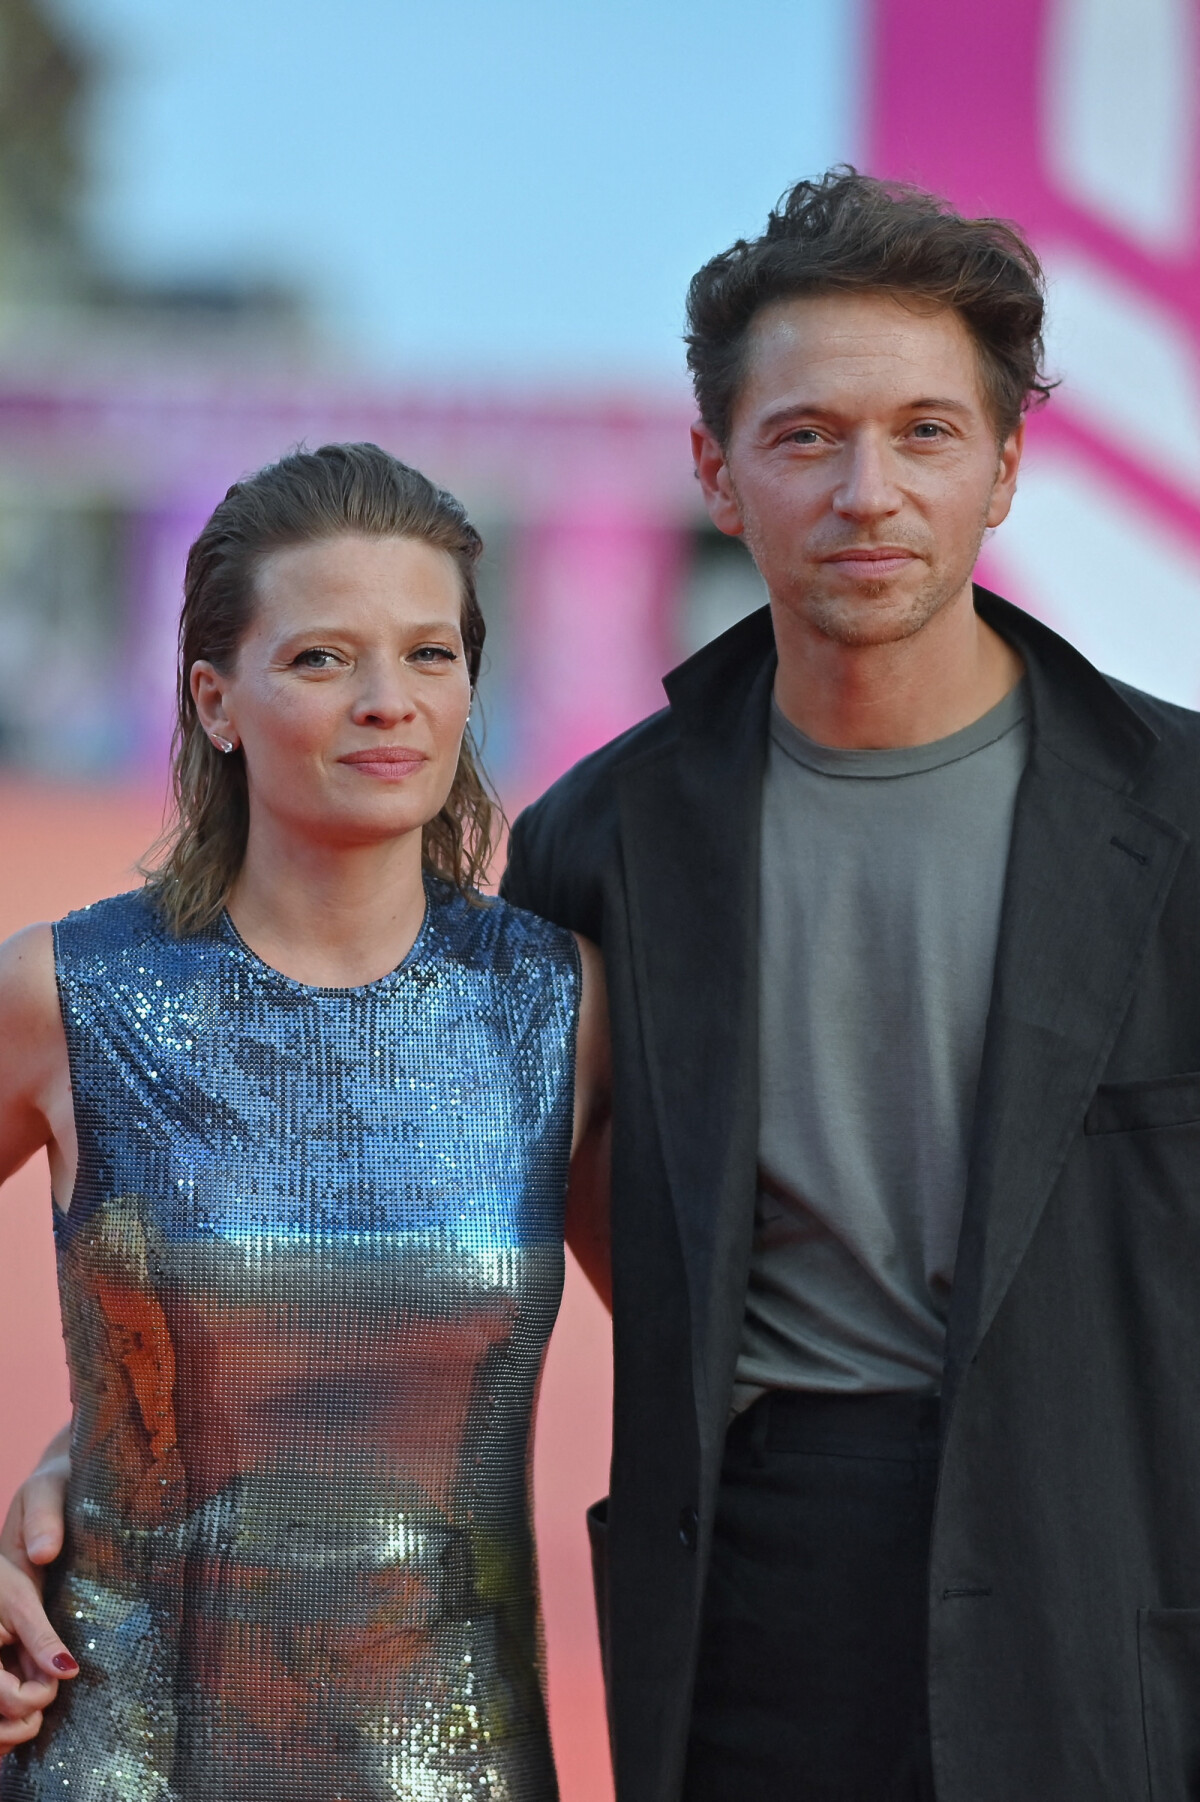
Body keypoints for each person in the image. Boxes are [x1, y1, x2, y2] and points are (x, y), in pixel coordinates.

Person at [10, 167, 1200, 1802]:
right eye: (804, 436)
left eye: (927, 431)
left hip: (1120, 1552)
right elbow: (424, 1229)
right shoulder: (601, 850)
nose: (869, 490)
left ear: (1004, 466)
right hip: (755, 1587)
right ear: (715, 469)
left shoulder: (1187, 823)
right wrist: (110, 1440)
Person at [0, 441, 610, 1799]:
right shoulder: (68, 990)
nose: (388, 702)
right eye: (323, 658)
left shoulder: (564, 1007)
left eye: (430, 654)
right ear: (215, 700)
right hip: (123, 1754)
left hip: (460, 1757)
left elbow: (723, 1366)